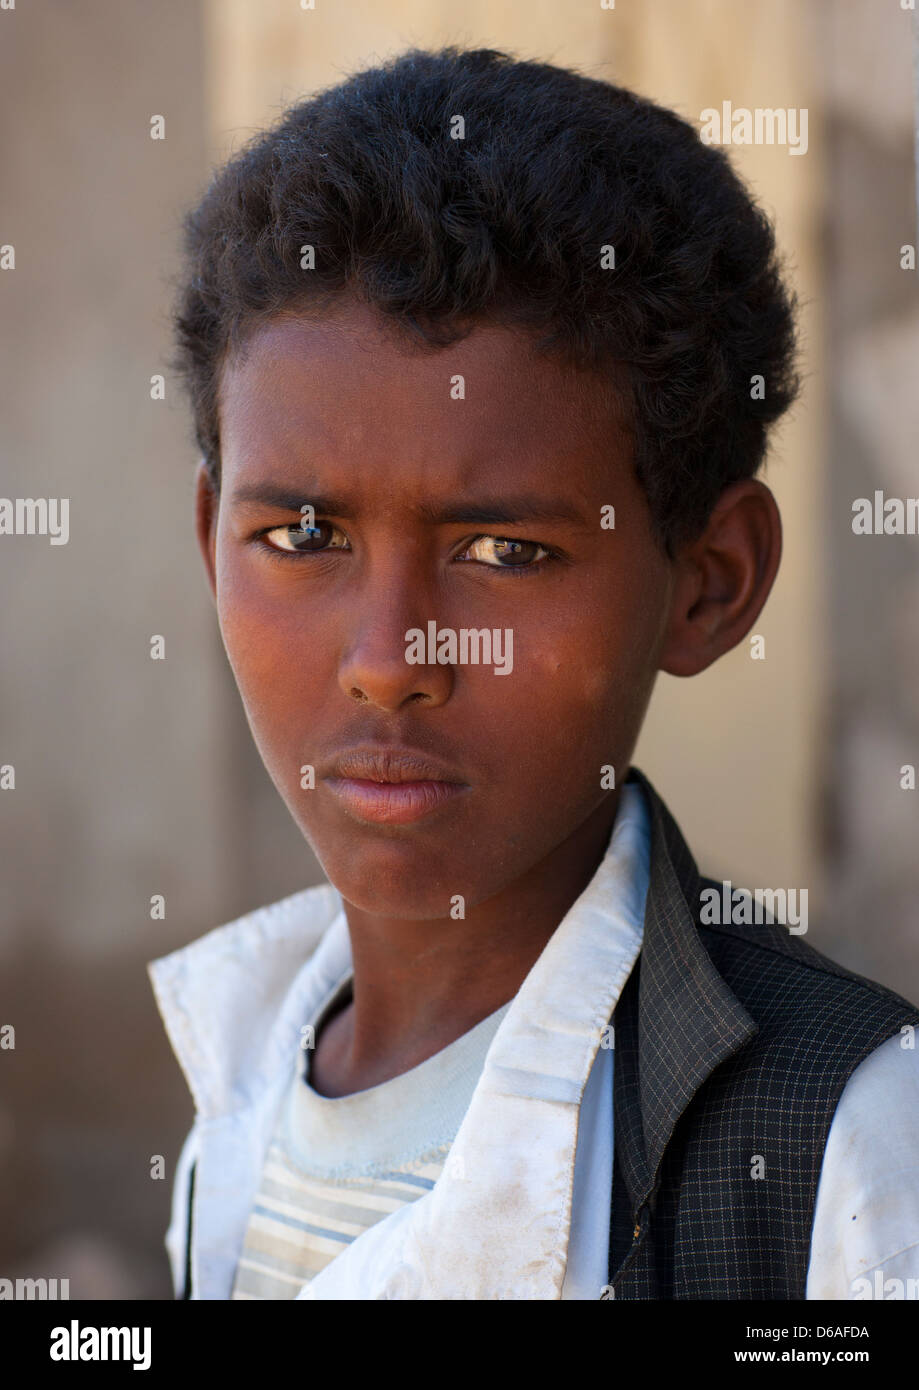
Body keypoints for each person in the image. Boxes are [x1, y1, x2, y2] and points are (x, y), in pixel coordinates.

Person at [148, 46, 919, 1300]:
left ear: (710, 582)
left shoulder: (842, 1157)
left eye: (505, 550)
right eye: (302, 537)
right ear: (209, 541)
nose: (392, 662)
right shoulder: (243, 1069)